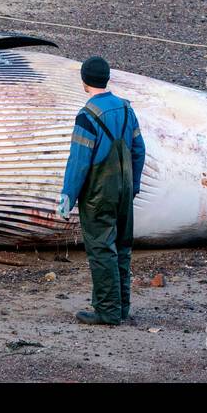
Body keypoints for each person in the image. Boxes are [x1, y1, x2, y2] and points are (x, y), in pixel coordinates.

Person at [58, 56, 146, 326]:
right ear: (107, 78)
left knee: (101, 248)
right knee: (122, 247)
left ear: (84, 81)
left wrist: (67, 197)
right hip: (124, 188)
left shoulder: (87, 116)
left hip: (98, 194)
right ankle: (121, 308)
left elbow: (79, 162)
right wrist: (134, 184)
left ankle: (107, 311)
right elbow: (139, 150)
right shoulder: (126, 109)